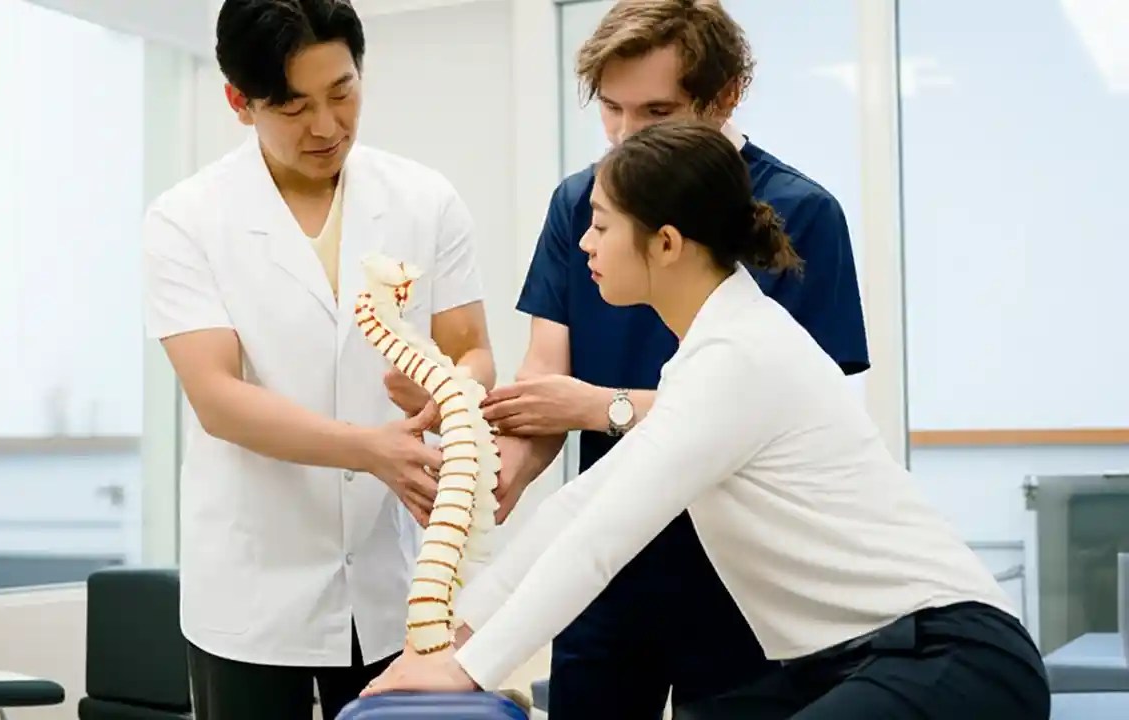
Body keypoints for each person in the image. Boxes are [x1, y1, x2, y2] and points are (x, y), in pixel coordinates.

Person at [361, 119, 1051, 719]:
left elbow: (604, 537)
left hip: (948, 656)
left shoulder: (739, 358)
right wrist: (458, 633)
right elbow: (578, 507)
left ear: (665, 243)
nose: (584, 245)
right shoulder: (710, 354)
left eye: (600, 224)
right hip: (868, 665)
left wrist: (466, 671)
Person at [477, 1, 867, 716]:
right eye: (612, 110)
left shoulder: (801, 212)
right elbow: (544, 379)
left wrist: (601, 405)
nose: (625, 137)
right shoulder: (579, 206)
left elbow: (789, 414)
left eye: (657, 112)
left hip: (747, 582)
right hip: (610, 565)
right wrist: (495, 475)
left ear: (725, 97)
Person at [141, 1, 494, 718]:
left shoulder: (425, 200)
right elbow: (217, 398)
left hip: (397, 586)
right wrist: (370, 450)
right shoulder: (186, 218)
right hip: (250, 594)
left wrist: (446, 399)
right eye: (294, 105)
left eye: (342, 92)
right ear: (240, 102)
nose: (327, 126)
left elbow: (474, 352)